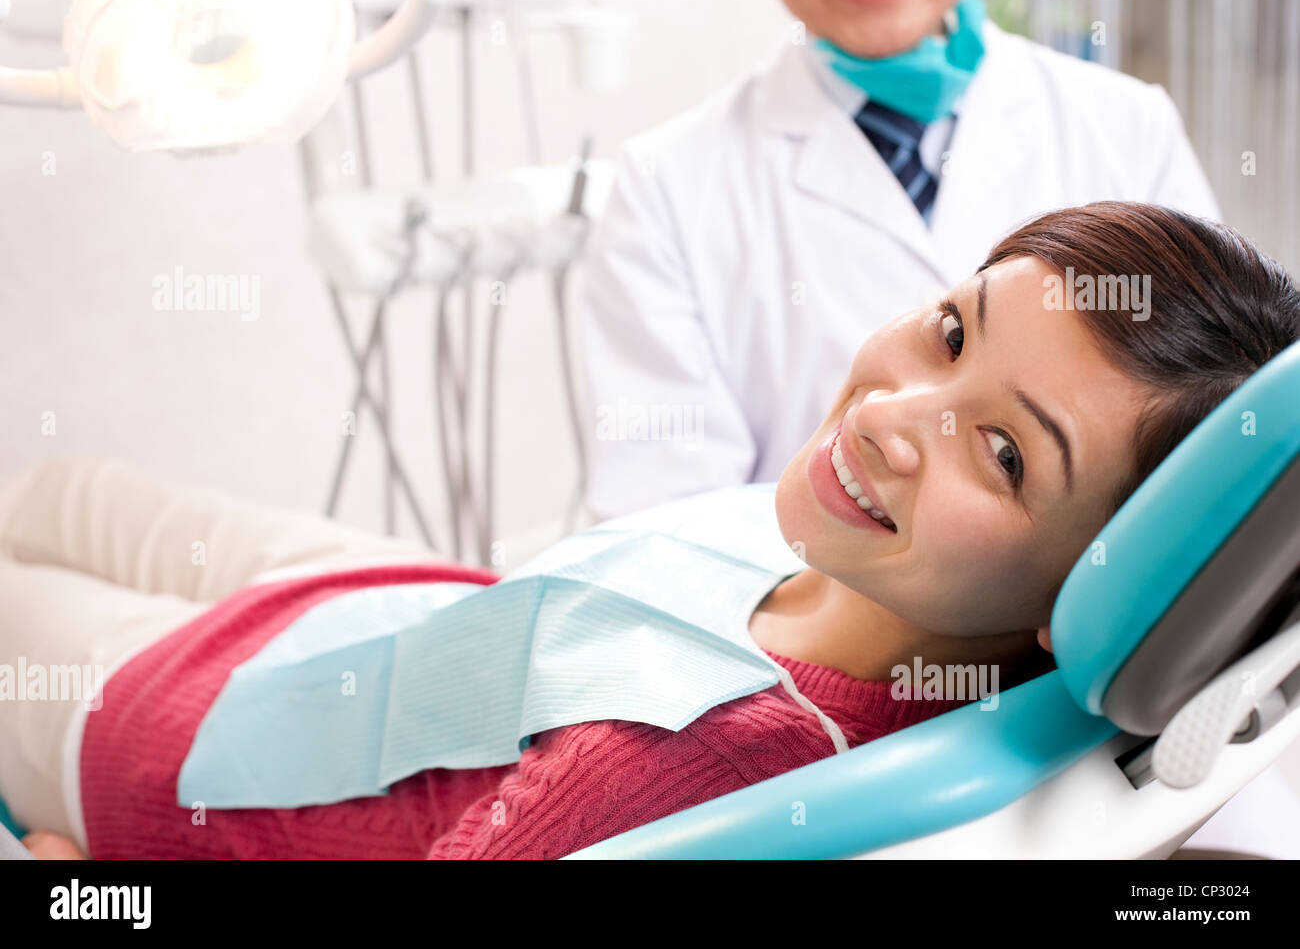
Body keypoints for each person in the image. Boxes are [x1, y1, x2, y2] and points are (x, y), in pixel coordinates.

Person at [3, 202, 1296, 860]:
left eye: (1007, 455)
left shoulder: (670, 762)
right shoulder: (869, 558)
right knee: (60, 490)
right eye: (953, 331)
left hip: (173, 743)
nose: (900, 410)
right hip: (386, 607)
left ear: (1070, 593)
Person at [579, 0, 1221, 522]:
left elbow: (1200, 454)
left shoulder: (1129, 129)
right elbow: (669, 524)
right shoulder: (666, 182)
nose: (888, 417)